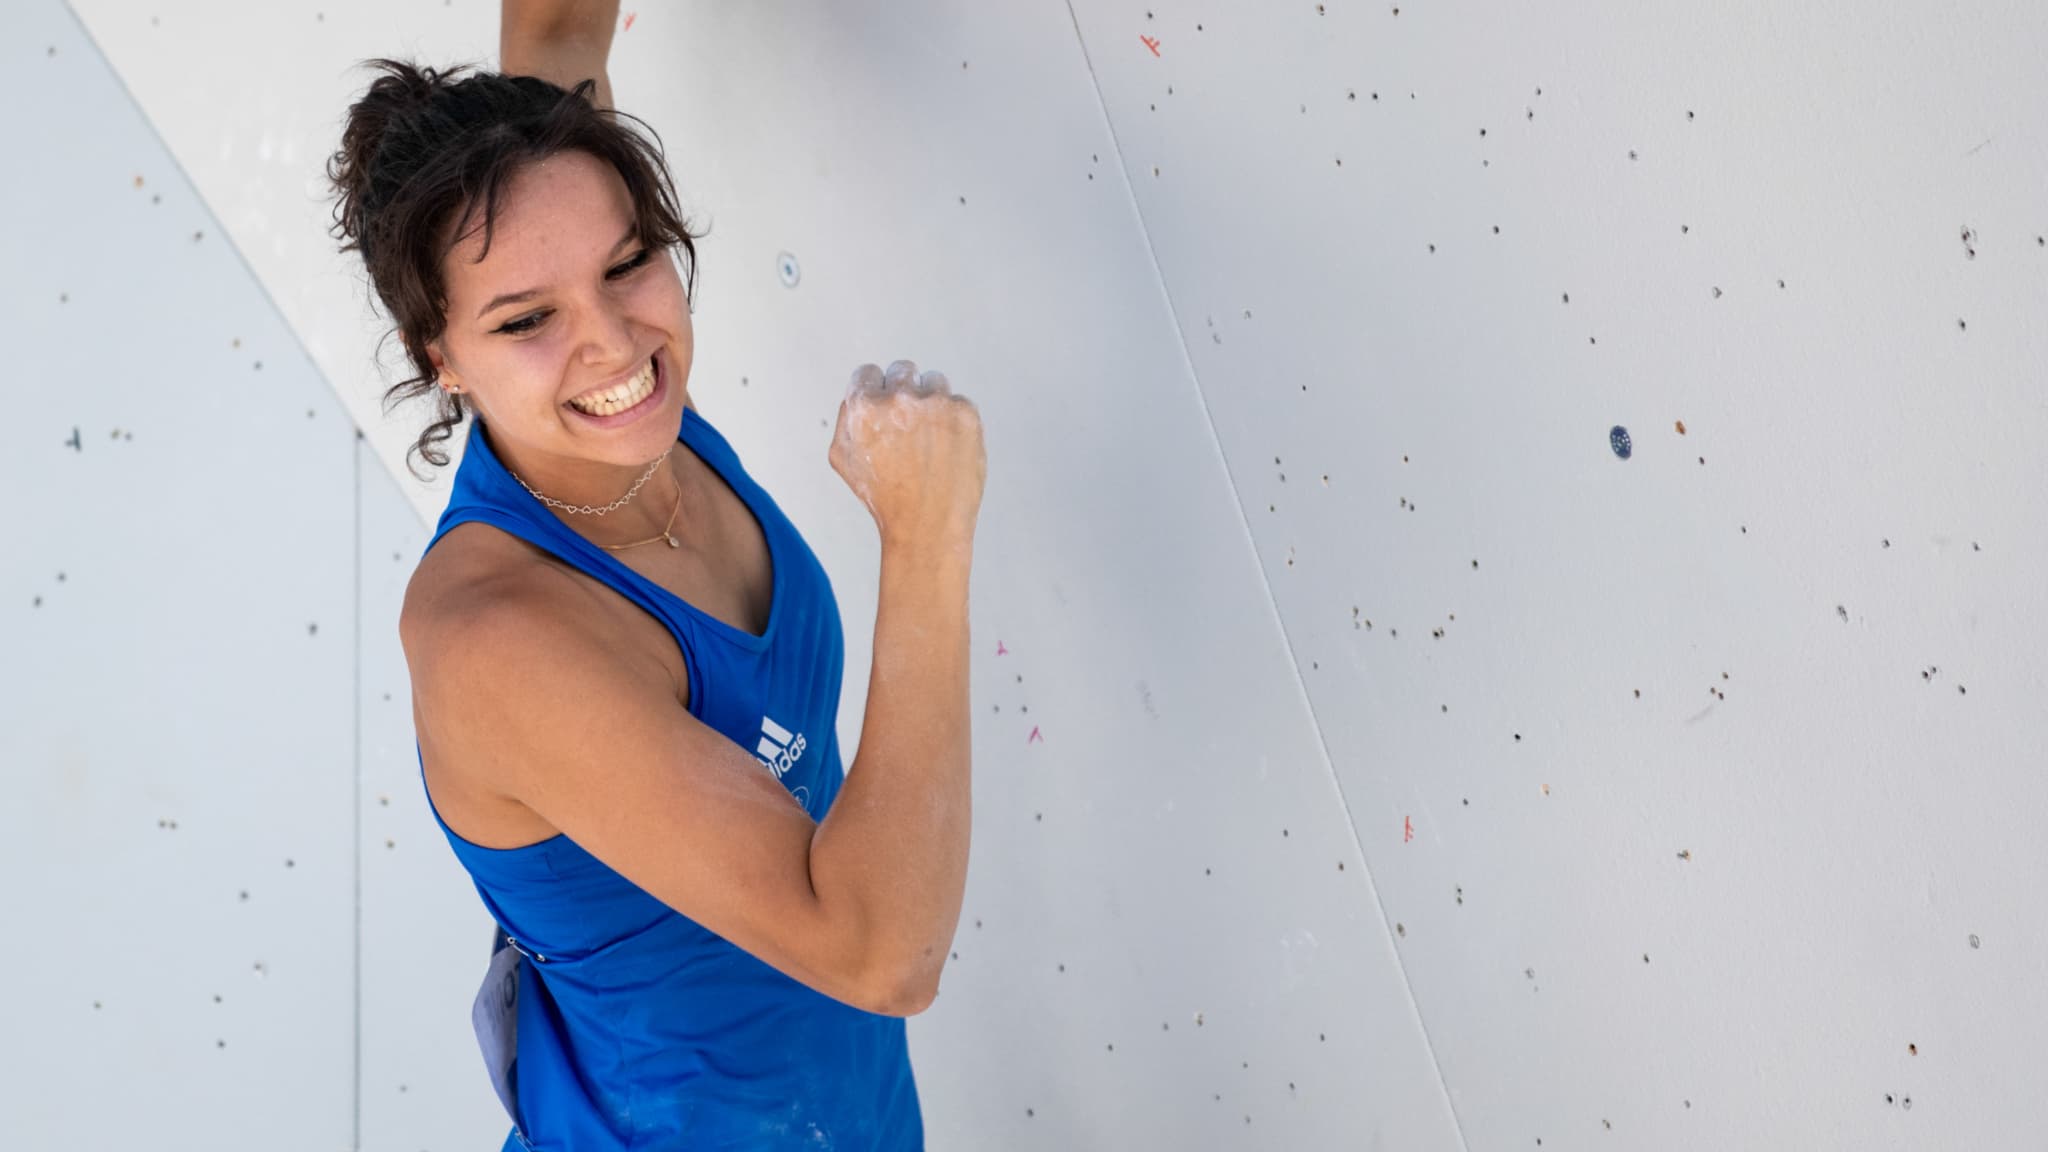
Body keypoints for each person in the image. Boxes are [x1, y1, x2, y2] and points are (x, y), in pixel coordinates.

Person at [323, 2, 985, 1147]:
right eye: (525, 320)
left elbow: (558, 31)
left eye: (629, 263)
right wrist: (926, 543)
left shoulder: (597, 379)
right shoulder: (497, 639)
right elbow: (884, 954)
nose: (614, 342)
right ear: (442, 357)